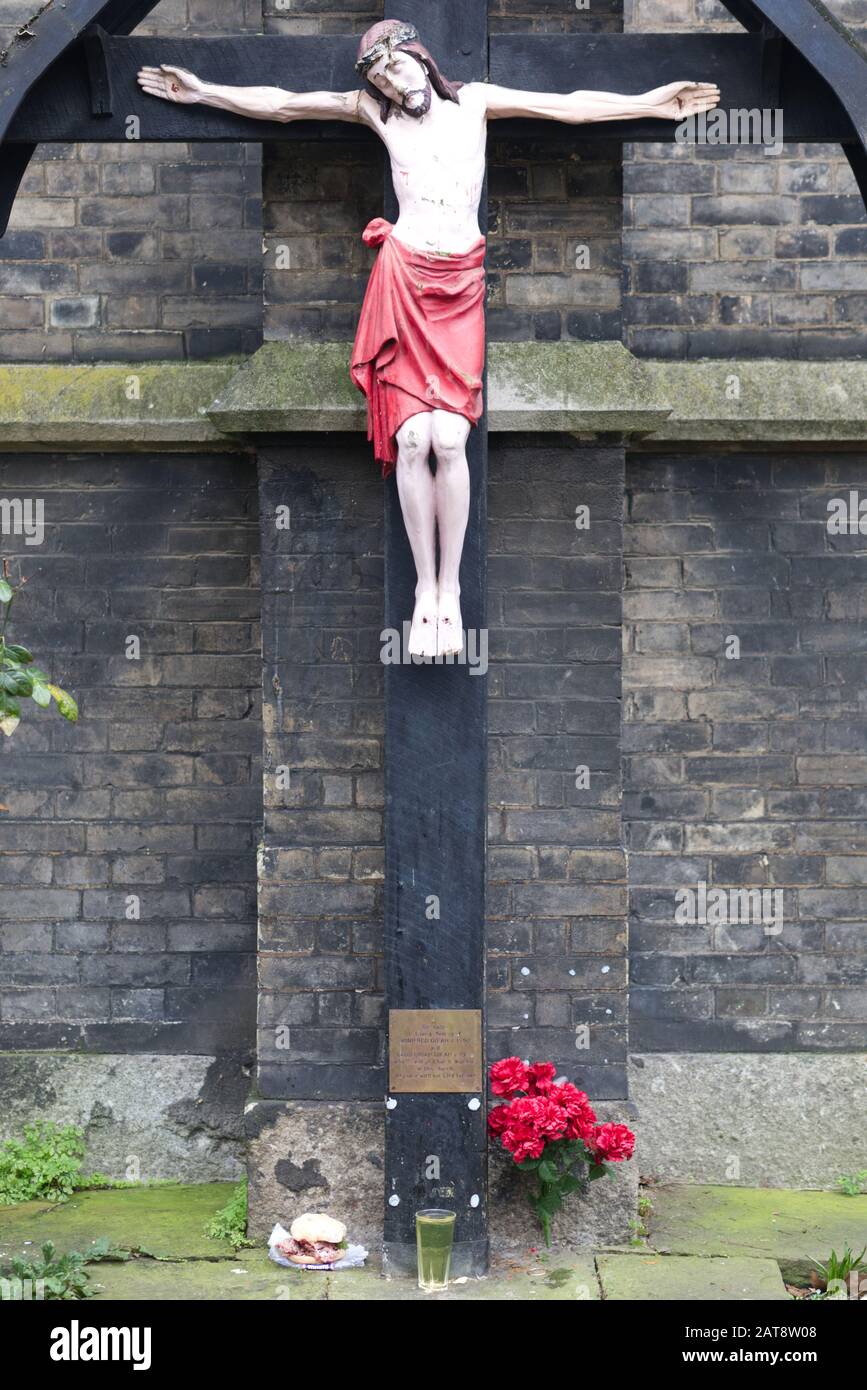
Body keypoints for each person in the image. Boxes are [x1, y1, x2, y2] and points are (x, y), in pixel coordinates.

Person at [138, 20, 719, 657]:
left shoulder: (474, 103)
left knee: (451, 434)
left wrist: (652, 103)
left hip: (458, 285)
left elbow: (569, 109)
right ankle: (426, 591)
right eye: (380, 76)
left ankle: (453, 588)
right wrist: (201, 94)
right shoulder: (375, 114)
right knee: (413, 437)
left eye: (397, 67)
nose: (392, 81)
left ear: (420, 58)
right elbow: (281, 104)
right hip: (403, 279)